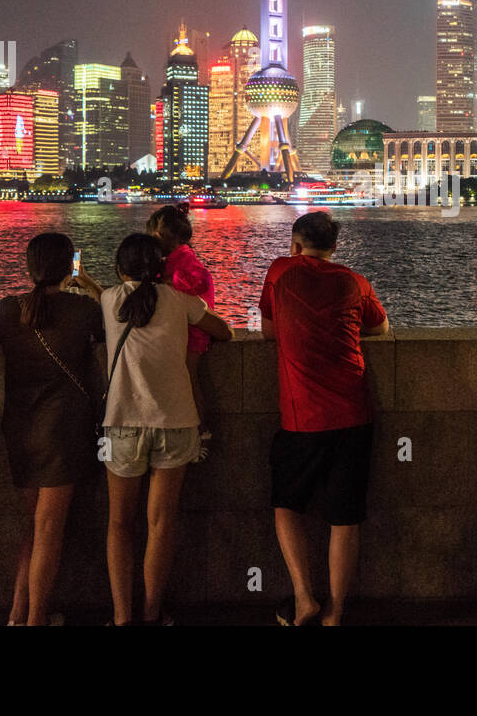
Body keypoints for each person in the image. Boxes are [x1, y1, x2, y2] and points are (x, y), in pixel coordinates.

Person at [259, 211, 389, 626]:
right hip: (354, 412)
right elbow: (381, 327)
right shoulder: (353, 281)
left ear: (295, 246)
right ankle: (336, 611)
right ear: (334, 248)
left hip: (302, 418)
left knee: (285, 504)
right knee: (345, 516)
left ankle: (303, 597)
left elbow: (266, 329)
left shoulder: (279, 271)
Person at [100, 233, 232, 626]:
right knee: (161, 523)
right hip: (176, 423)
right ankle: (153, 613)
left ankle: (123, 618)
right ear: (161, 268)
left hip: (122, 424)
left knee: (120, 524)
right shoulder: (180, 301)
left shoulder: (108, 299)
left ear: (120, 268)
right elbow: (223, 330)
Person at [0, 233, 105, 626]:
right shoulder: (81, 310)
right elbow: (112, 316)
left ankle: (17, 614)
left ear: (29, 266)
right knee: (49, 531)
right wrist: (88, 281)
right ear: (66, 267)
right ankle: (36, 619)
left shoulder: (8, 309)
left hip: (20, 429)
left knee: (34, 526)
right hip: (63, 430)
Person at [146, 203, 216, 390]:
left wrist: (171, 279)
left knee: (189, 382)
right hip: (186, 328)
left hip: (194, 333)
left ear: (166, 235)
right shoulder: (177, 257)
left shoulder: (184, 258)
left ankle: (198, 418)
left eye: (155, 234)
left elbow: (202, 281)